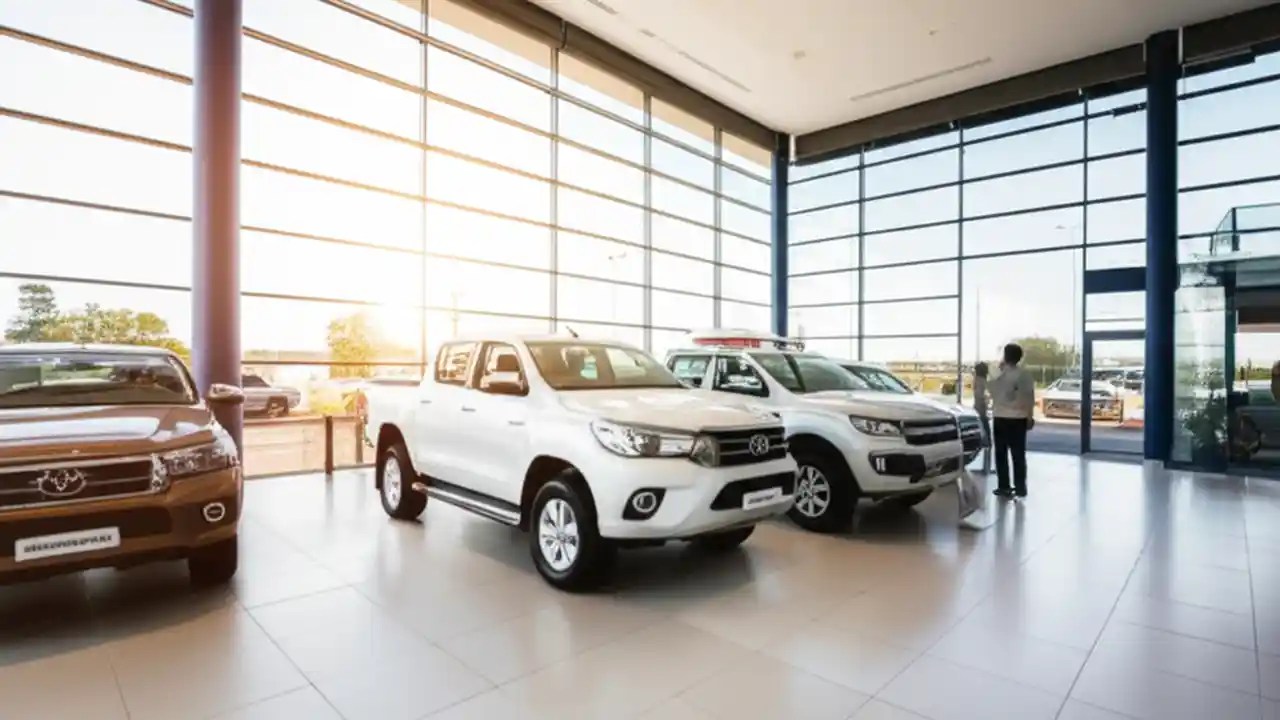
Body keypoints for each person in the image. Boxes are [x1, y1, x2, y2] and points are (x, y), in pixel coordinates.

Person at [988, 343, 1035, 499]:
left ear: (1005, 356)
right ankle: (1020, 488)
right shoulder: (1024, 375)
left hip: (1000, 417)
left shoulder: (997, 374)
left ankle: (1004, 487)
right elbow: (1029, 398)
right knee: (1018, 454)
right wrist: (1029, 416)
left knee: (1000, 454)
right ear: (1019, 357)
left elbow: (991, 391)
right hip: (1018, 418)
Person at [973, 362, 992, 474]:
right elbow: (981, 396)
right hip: (981, 412)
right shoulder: (981, 381)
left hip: (979, 410)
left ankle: (986, 467)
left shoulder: (977, 380)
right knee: (987, 440)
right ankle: (986, 468)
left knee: (985, 439)